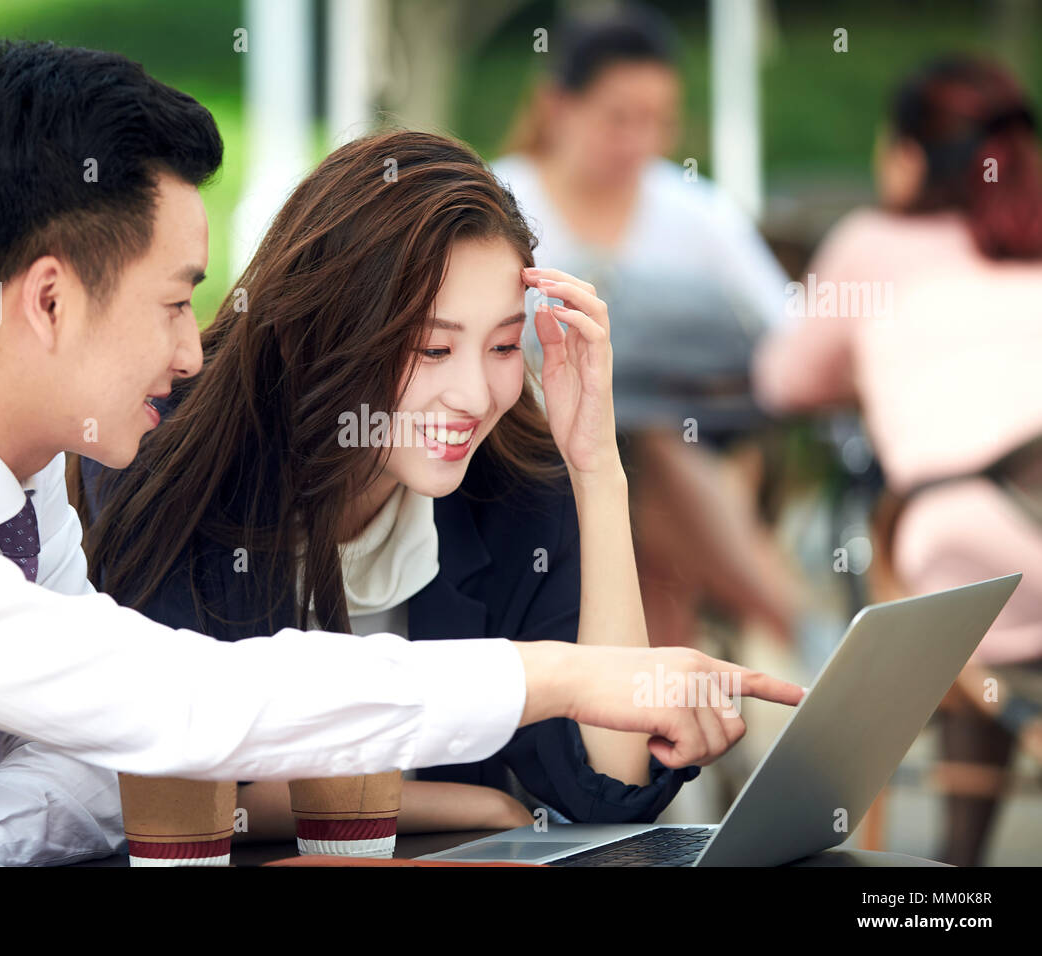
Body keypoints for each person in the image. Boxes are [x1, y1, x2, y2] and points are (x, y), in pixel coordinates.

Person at [0, 39, 805, 868]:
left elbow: (102, 754)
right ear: (51, 300)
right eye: (171, 302)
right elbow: (180, 705)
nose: (186, 345)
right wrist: (573, 676)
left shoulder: (19, 489)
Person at [75, 129, 741, 863]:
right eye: (432, 349)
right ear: (329, 326)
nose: (473, 396)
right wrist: (476, 805)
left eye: (501, 347)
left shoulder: (511, 480)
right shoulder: (170, 451)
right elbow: (185, 775)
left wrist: (597, 473)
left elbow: (605, 790)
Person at [753, 56, 1042, 866]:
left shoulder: (873, 244)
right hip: (1010, 537)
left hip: (972, 549)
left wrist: (872, 375)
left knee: (965, 587)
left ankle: (946, 875)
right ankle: (960, 861)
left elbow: (781, 380)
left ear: (909, 156)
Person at [489, 5, 801, 653]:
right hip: (529, 451)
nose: (641, 143)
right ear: (557, 106)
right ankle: (799, 628)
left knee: (652, 451)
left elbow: (788, 335)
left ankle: (669, 698)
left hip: (680, 451)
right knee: (640, 460)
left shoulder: (694, 212)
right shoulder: (499, 202)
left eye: (658, 121)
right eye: (619, 118)